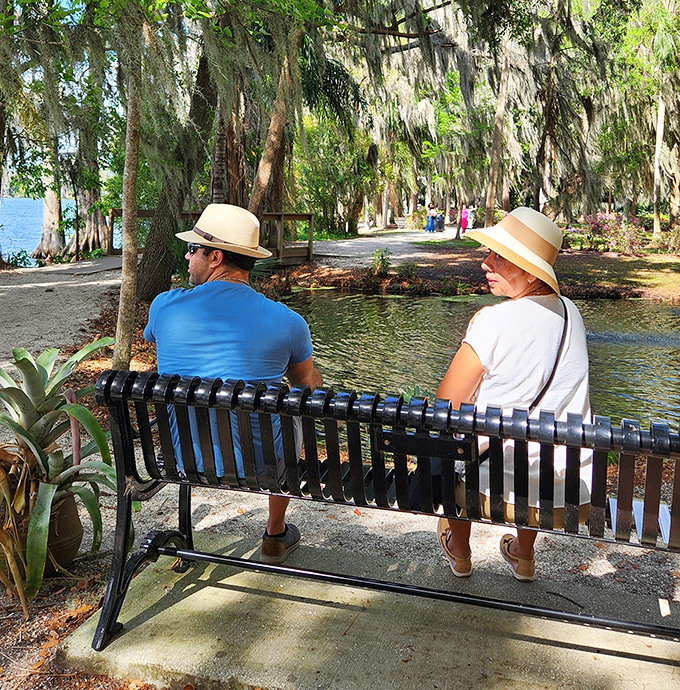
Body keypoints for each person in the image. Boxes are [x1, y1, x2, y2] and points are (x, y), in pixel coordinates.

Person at [144, 203, 323, 565]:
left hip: (184, 459)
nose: (187, 256)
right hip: (262, 467)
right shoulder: (287, 321)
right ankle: (275, 532)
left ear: (216, 257)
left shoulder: (163, 307)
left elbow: (156, 341)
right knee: (296, 411)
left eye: (193, 249)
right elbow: (313, 391)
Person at [435, 207, 591, 581]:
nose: (486, 263)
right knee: (539, 439)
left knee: (451, 441)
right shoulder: (572, 313)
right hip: (566, 496)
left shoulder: (492, 320)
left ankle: (460, 551)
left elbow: (445, 403)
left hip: (491, 493)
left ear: (529, 269)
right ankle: (523, 555)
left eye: (500, 256)